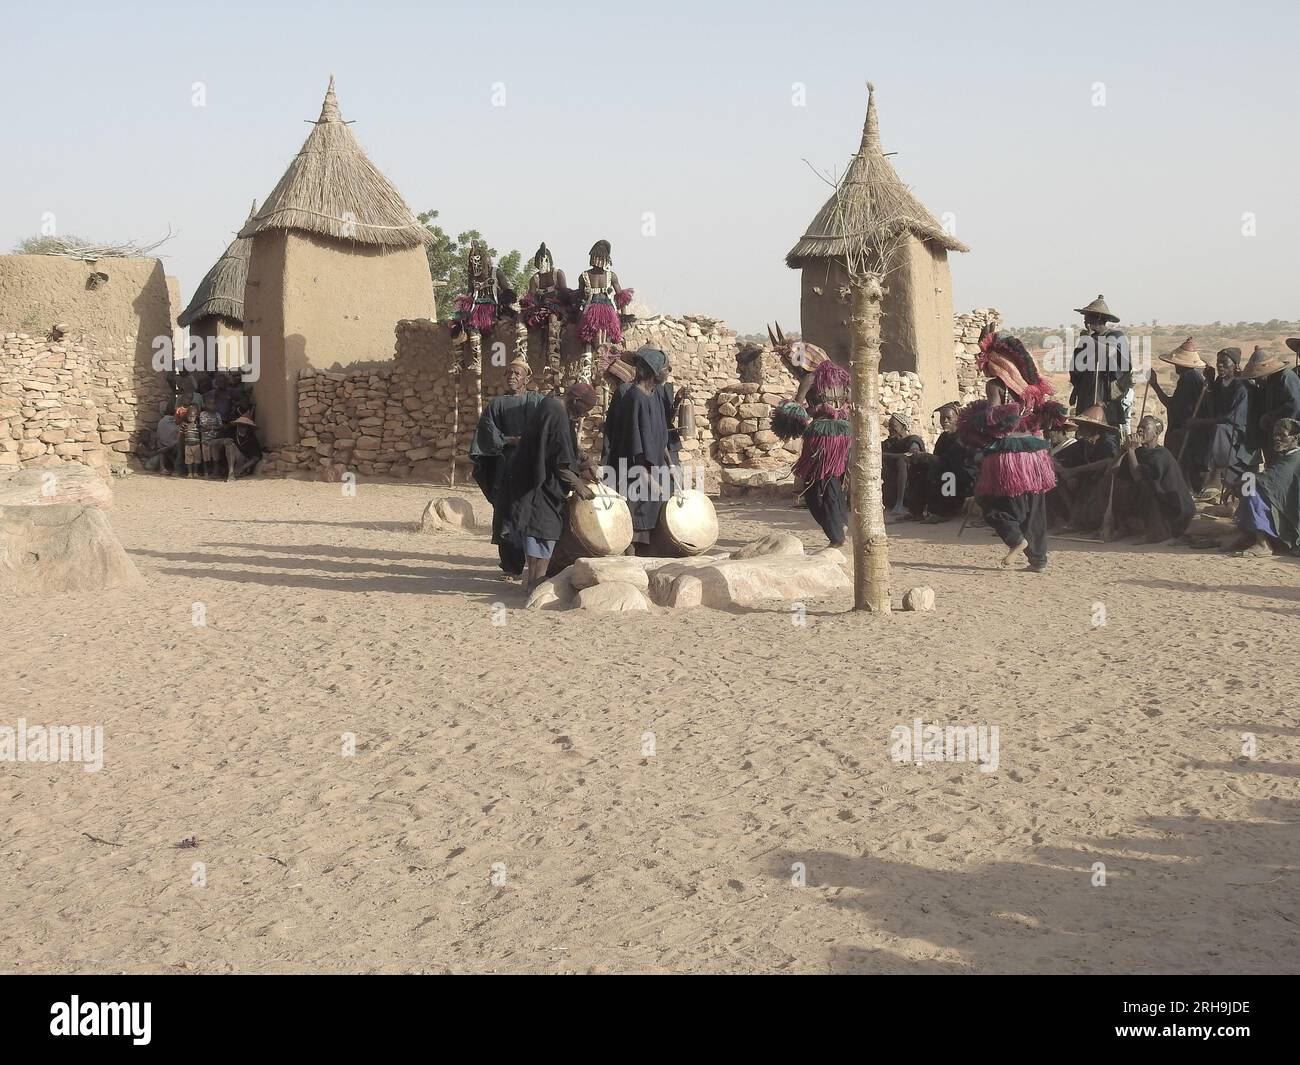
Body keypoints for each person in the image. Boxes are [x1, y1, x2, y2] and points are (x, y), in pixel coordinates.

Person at [958, 328, 1060, 572]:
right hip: (1035, 455)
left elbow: (994, 418)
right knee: (1034, 506)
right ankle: (1039, 559)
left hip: (1008, 456)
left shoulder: (995, 386)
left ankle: (1015, 538)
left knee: (993, 502)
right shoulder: (1030, 390)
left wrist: (977, 422)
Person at [505, 382, 599, 591]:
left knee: (536, 530)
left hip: (534, 478)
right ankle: (537, 581)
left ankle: (531, 581)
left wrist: (586, 462)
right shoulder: (557, 414)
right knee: (545, 530)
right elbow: (561, 463)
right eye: (584, 409)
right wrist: (580, 487)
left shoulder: (552, 405)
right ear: (576, 401)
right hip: (540, 482)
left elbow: (565, 445)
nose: (583, 414)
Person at [470, 358, 544, 580]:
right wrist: (509, 440)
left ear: (527, 379)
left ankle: (535, 564)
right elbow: (487, 433)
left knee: (531, 513)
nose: (512, 376)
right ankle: (511, 566)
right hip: (506, 466)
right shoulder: (497, 404)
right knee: (506, 515)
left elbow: (548, 426)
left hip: (531, 465)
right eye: (508, 373)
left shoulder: (537, 402)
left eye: (517, 373)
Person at [772, 346, 851, 546]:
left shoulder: (811, 378)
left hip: (821, 437)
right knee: (833, 479)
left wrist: (785, 410)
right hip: (843, 435)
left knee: (816, 486)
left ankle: (836, 534)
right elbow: (846, 406)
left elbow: (795, 411)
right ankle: (840, 522)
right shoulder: (841, 377)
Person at [605, 348, 672, 552]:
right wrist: (647, 477)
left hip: (652, 469)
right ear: (653, 371)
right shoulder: (635, 397)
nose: (667, 372)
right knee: (634, 522)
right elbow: (634, 441)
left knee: (650, 518)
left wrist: (668, 464)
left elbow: (659, 434)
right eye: (664, 369)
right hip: (637, 472)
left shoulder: (653, 395)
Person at [1109, 415, 1196, 543]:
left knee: (1145, 487)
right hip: (1157, 500)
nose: (1139, 430)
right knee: (1117, 484)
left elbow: (1138, 477)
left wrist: (1131, 450)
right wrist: (1123, 451)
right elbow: (1113, 471)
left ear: (1156, 433)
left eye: (1144, 428)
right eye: (1139, 427)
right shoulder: (1139, 452)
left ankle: (1157, 532)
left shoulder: (1161, 455)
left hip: (1173, 506)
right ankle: (1122, 527)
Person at [1224, 418, 1300, 557]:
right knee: (1251, 487)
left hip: (1292, 515)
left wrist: (1240, 482)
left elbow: (1271, 479)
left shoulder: (1295, 457)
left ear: (1295, 437)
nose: (1276, 438)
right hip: (1285, 507)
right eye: (1275, 435)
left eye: (1282, 435)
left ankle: (1263, 543)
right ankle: (1250, 535)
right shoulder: (1285, 456)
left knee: (1253, 491)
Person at [1182, 347, 1250, 497]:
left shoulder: (1242, 386)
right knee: (1197, 432)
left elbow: (1232, 418)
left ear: (1235, 365)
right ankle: (1192, 479)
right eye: (1218, 362)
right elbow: (1212, 408)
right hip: (1220, 425)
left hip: (1238, 431)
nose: (1220, 365)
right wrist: (1211, 383)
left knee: (1218, 429)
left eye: (1224, 363)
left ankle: (1213, 480)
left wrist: (1201, 422)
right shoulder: (1220, 382)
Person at [1068, 294, 1132, 427]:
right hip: (1086, 395)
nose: (1085, 322)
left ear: (1098, 318)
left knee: (1104, 433)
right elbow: (1076, 366)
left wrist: (1091, 341)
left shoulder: (1116, 336)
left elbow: (1120, 359)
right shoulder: (1087, 339)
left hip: (1104, 396)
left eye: (1088, 318)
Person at [1055, 405, 1121, 532]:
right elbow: (1058, 457)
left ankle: (1083, 521)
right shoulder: (1084, 444)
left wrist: (1074, 471)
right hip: (1087, 480)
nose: (1080, 429)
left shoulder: (1108, 442)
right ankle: (1073, 519)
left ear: (1094, 428)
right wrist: (1067, 473)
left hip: (1104, 481)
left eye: (1084, 426)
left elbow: (1108, 462)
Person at [1148, 337, 1207, 461]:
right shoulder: (1188, 377)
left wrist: (1155, 385)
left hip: (1185, 436)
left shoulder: (1189, 378)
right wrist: (1155, 384)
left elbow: (1173, 406)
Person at [1240, 345, 1300, 462]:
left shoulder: (1285, 377)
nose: (1256, 380)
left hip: (1289, 438)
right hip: (1274, 436)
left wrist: (1271, 417)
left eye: (1258, 377)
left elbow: (1295, 406)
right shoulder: (1268, 382)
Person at [919, 403, 977, 523]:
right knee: (920, 469)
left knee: (947, 473)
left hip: (966, 472)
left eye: (948, 418)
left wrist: (932, 458)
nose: (944, 421)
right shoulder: (943, 437)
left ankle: (945, 511)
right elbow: (938, 457)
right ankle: (918, 509)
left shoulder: (963, 436)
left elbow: (955, 458)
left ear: (957, 418)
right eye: (942, 418)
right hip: (947, 467)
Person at [881, 413, 927, 520]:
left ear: (904, 427)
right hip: (891, 483)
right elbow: (877, 454)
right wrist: (899, 455)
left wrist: (910, 452)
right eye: (889, 426)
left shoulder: (912, 439)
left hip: (910, 481)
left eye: (893, 426)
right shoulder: (887, 444)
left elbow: (913, 451)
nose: (890, 429)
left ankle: (900, 503)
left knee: (902, 461)